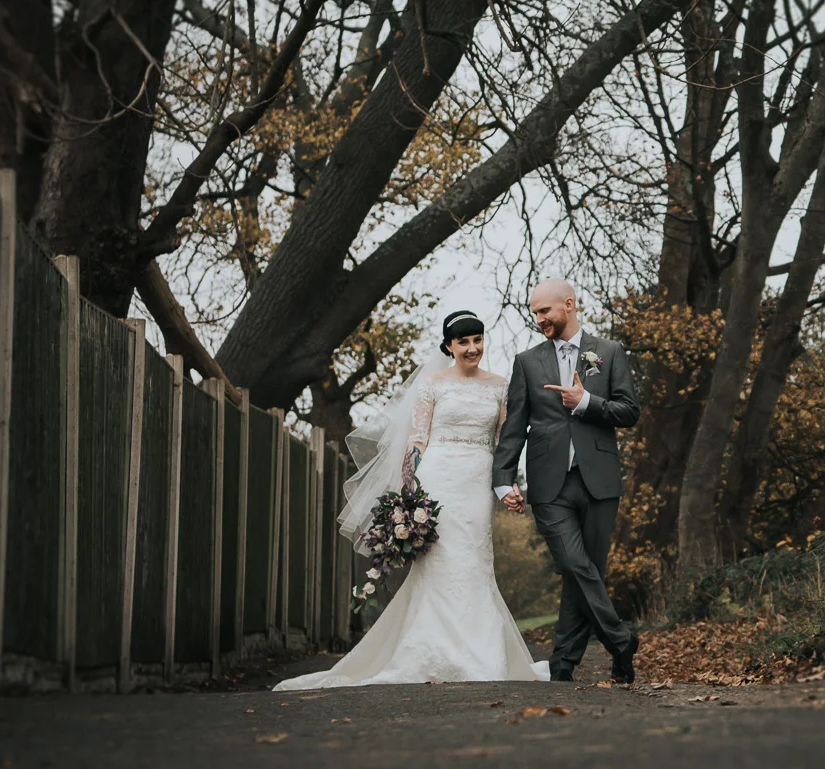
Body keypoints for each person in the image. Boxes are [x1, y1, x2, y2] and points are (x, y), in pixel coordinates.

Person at [275, 310, 548, 689]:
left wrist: (508, 485)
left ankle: (481, 654)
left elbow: (506, 441)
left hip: (477, 482)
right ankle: (432, 651)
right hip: (437, 478)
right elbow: (417, 440)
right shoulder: (433, 384)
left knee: (474, 560)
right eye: (463, 342)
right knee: (439, 562)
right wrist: (408, 490)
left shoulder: (500, 386)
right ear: (449, 346)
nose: (472, 348)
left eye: (478, 340)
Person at [493, 278, 641, 684]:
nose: (539, 319)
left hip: (600, 480)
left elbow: (629, 411)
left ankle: (563, 665)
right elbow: (514, 425)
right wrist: (503, 479)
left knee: (586, 573)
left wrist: (587, 402)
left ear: (569, 305)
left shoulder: (609, 352)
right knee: (576, 564)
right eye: (535, 313)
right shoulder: (527, 362)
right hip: (549, 484)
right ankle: (621, 640)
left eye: (545, 311)